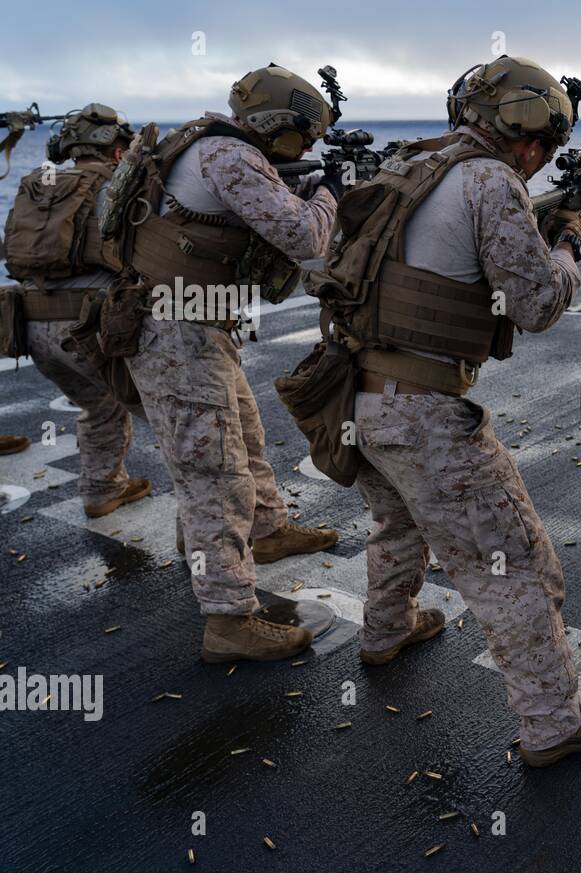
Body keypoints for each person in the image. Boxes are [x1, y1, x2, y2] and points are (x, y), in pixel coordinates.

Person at [308, 55, 581, 767]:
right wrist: (570, 238)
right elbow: (537, 303)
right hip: (421, 411)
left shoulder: (414, 164)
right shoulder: (490, 179)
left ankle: (385, 631)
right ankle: (553, 725)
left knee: (397, 522)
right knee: (513, 564)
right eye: (545, 147)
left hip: (357, 392)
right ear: (531, 136)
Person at [116, 64, 343, 663]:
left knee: (243, 435)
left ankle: (264, 532)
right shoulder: (229, 156)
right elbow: (304, 238)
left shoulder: (204, 141)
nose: (310, 145)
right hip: (178, 332)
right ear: (280, 126)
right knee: (213, 477)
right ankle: (229, 618)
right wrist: (329, 193)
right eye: (306, 133)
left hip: (189, 324)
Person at [1, 103, 149, 517]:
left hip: (31, 324)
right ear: (118, 150)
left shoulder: (39, 185)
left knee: (100, 405)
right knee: (174, 418)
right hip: (89, 326)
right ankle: (207, 523)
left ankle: (102, 490)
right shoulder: (114, 187)